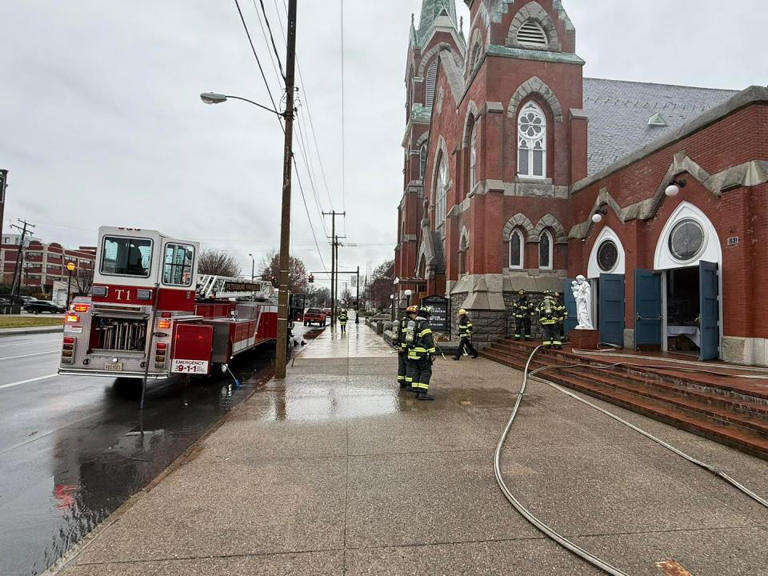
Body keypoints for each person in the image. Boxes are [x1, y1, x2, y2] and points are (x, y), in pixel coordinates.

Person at [406, 305, 436, 401]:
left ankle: (416, 390)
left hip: (412, 353)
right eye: (429, 315)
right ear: (426, 315)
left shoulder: (413, 323)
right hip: (422, 354)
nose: (429, 317)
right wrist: (432, 353)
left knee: (416, 371)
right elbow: (428, 340)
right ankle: (422, 393)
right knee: (426, 372)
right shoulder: (424, 324)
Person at [394, 305, 417, 388]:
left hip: (400, 348)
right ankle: (409, 384)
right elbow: (407, 337)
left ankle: (401, 382)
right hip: (407, 348)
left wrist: (399, 346)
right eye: (415, 314)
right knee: (409, 366)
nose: (416, 316)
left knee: (401, 365)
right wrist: (406, 347)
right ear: (412, 314)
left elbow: (398, 334)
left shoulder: (402, 321)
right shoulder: (411, 323)